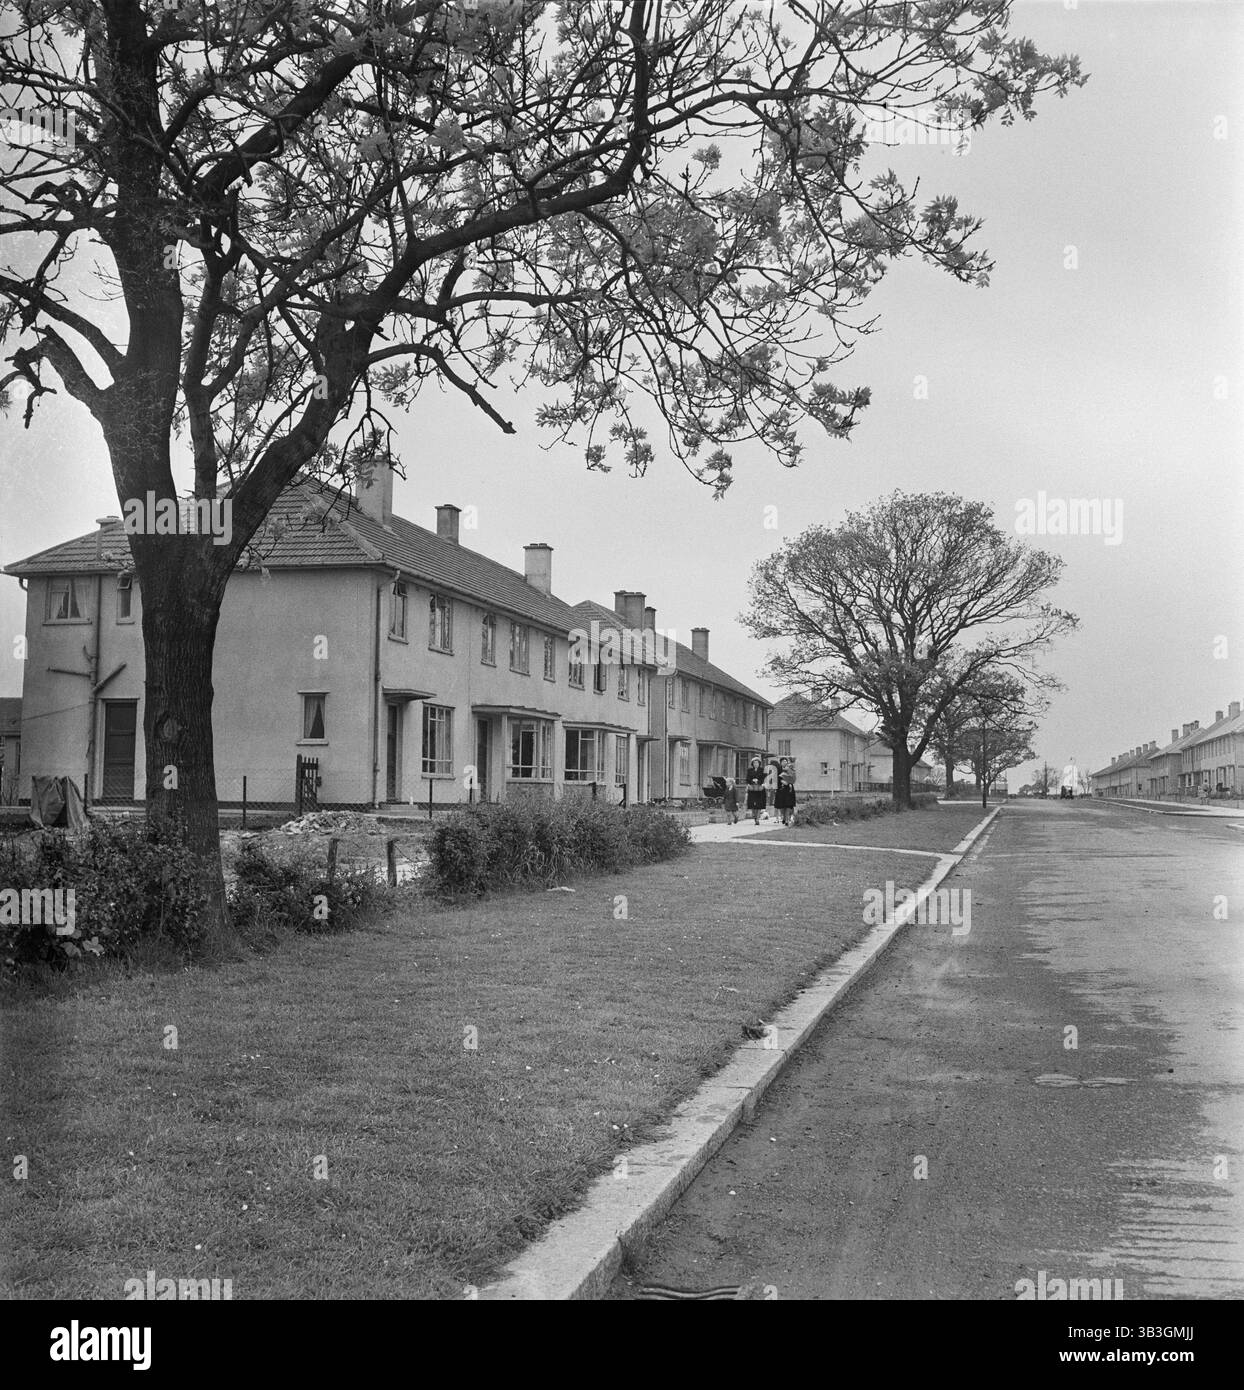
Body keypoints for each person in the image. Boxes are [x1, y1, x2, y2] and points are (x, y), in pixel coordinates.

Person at [775, 757, 797, 826]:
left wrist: (789, 782)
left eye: (786, 761)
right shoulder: (778, 770)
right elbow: (775, 779)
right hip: (780, 789)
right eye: (783, 761)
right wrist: (781, 781)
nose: (785, 762)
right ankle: (783, 817)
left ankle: (787, 819)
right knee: (781, 805)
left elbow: (792, 777)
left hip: (788, 789)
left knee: (788, 804)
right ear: (780, 762)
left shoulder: (790, 769)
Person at [745, 757, 767, 825]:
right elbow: (747, 779)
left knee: (759, 804)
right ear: (752, 763)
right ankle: (754, 816)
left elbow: (764, 778)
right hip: (752, 788)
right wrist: (752, 781)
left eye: (757, 763)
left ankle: (757, 819)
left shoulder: (762, 770)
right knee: (752, 803)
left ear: (759, 763)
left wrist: (759, 781)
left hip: (760, 788)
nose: (755, 764)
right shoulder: (749, 770)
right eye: (754, 763)